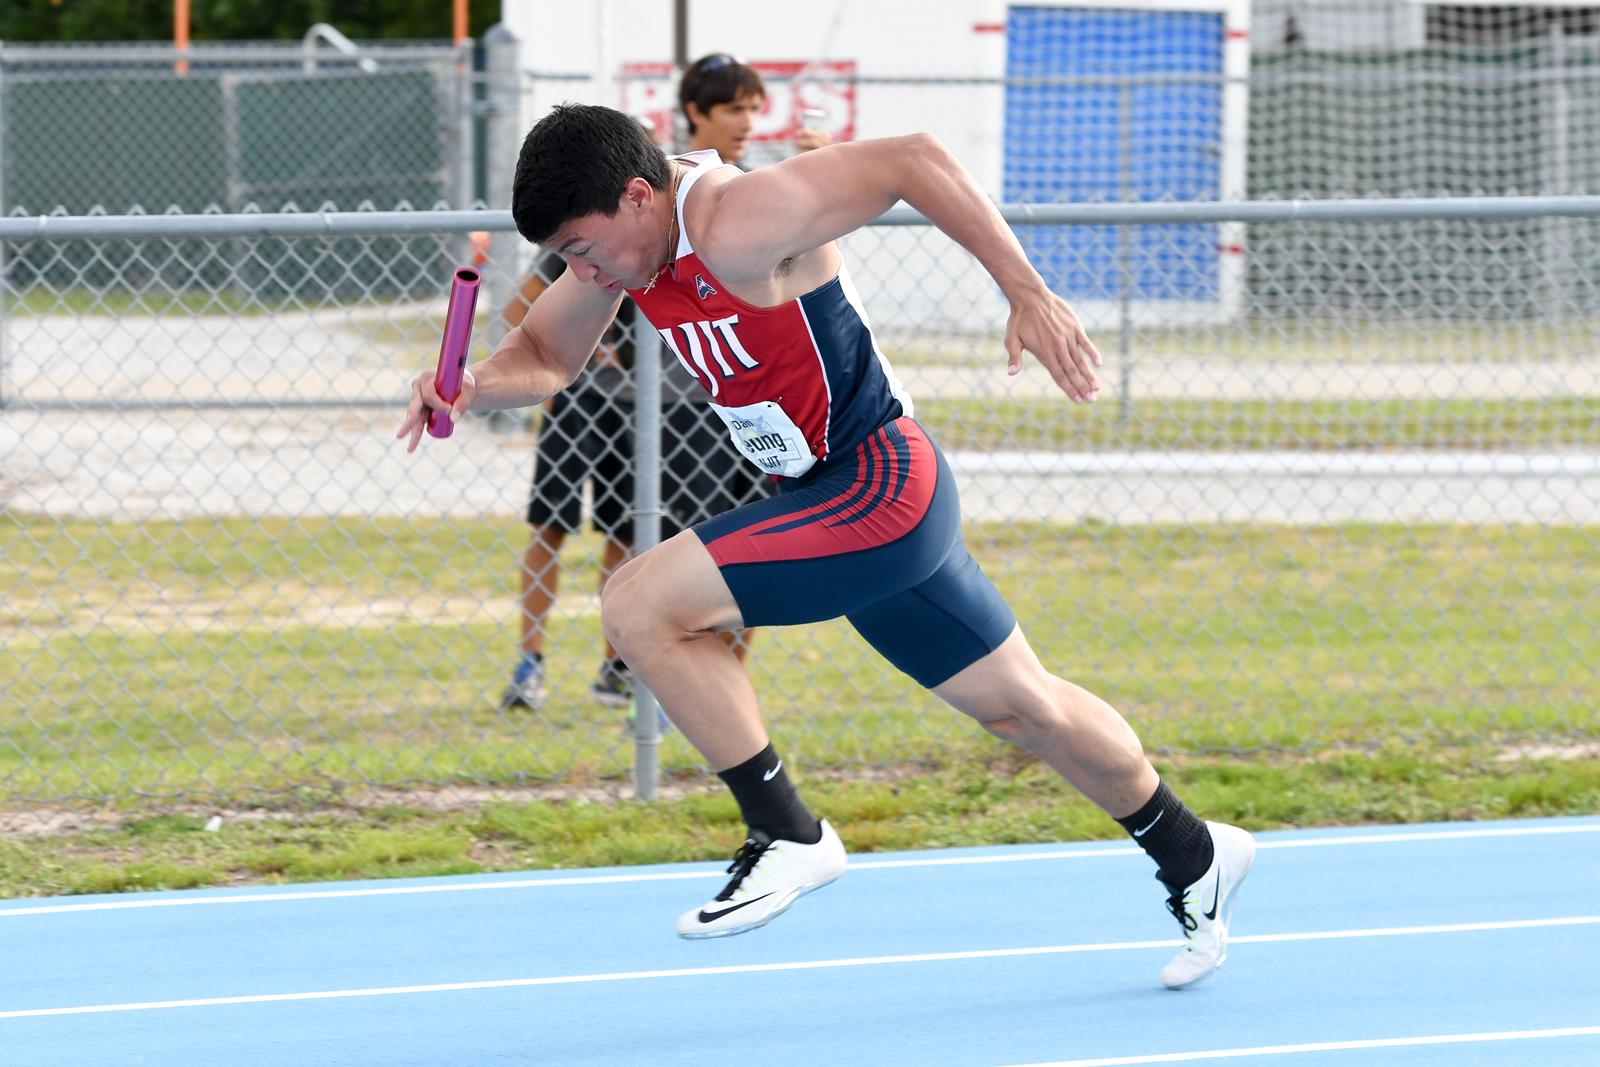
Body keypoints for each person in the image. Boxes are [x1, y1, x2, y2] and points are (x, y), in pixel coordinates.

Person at [399, 104, 1256, 990]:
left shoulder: (736, 220)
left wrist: (1026, 290)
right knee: (1023, 708)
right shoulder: (625, 246)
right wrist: (465, 384)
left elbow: (914, 158)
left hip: (881, 484)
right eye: (568, 258)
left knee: (638, 602)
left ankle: (787, 832)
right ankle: (1195, 851)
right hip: (828, 501)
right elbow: (543, 350)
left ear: (637, 195)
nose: (582, 272)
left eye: (585, 248)